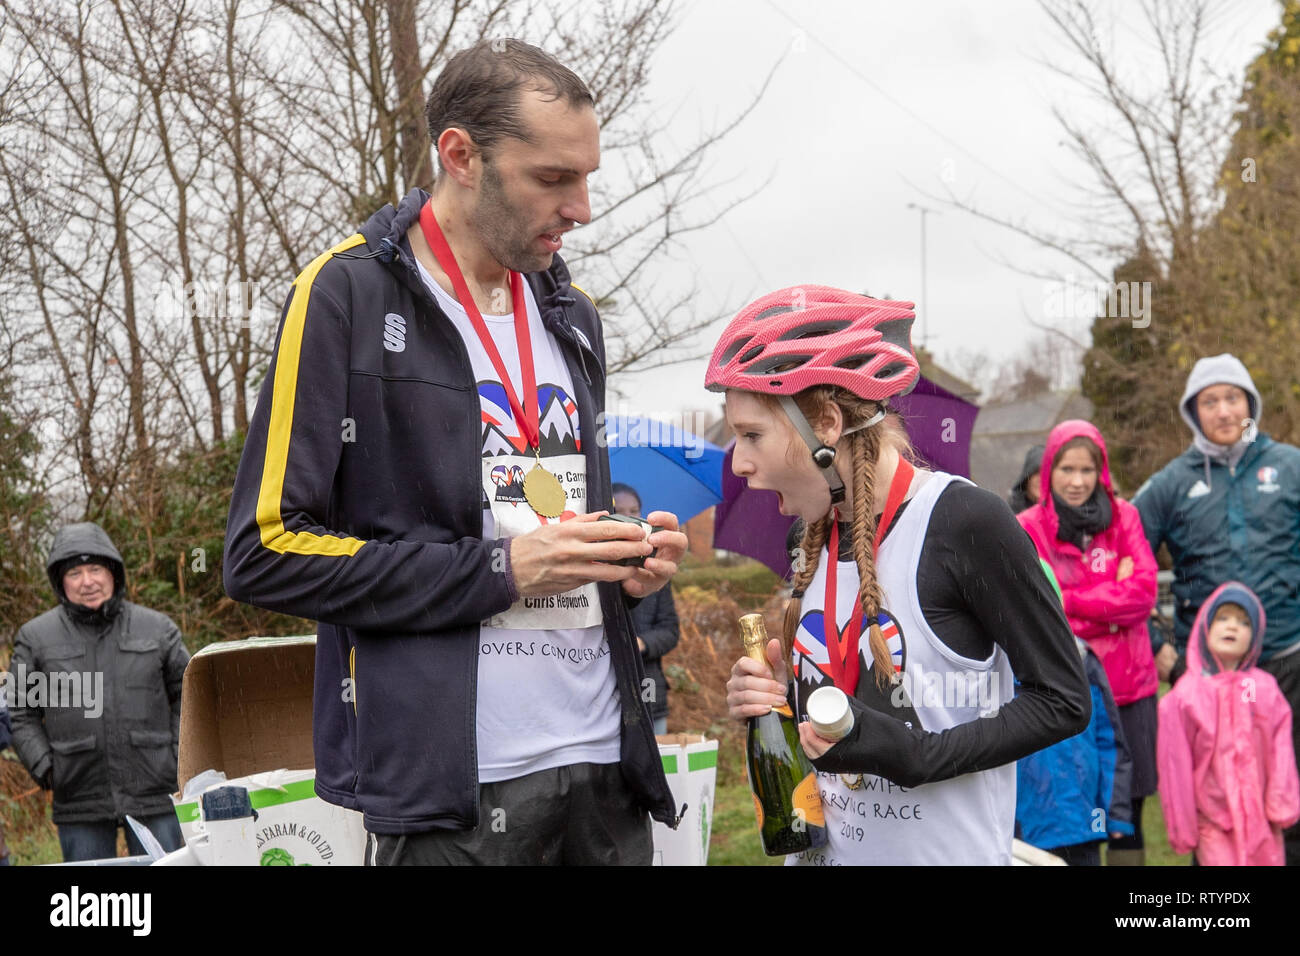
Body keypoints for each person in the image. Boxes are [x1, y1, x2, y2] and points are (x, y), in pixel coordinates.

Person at [223, 39, 687, 866]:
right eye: (553, 178)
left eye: (587, 177)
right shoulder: (344, 294)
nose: (582, 208)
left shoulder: (572, 311)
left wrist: (622, 563)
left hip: (603, 768)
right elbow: (265, 553)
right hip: (455, 790)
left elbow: (548, 522)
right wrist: (500, 571)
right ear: (460, 155)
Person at [715, 286, 1090, 866]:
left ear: (827, 424)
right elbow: (846, 710)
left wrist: (919, 755)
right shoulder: (810, 538)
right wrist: (777, 699)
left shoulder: (965, 522)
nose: (739, 464)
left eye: (751, 435)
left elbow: (1063, 700)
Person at [1133, 353, 1300, 863]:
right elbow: (1124, 562)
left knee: (1290, 797)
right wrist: (1161, 646)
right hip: (1207, 678)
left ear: (1250, 404)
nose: (1224, 411)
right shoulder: (1170, 485)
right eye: (1210, 401)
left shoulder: (1290, 467)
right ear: (1193, 412)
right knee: (1216, 802)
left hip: (1289, 660)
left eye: (1233, 398)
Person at [1017, 421, 1158, 865]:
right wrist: (1106, 603)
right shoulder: (1027, 526)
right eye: (1066, 469)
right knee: (1073, 803)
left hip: (1129, 685)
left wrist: (1070, 600)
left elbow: (1143, 593)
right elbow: (1037, 606)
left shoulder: (1125, 517)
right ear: (1048, 470)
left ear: (1102, 472)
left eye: (1087, 470)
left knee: (1126, 804)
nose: (1077, 482)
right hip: (1071, 688)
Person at [9, 522, 188, 862]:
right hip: (78, 795)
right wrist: (47, 768)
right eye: (74, 572)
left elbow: (190, 695)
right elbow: (21, 711)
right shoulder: (36, 637)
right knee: (92, 906)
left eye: (95, 569)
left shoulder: (158, 628)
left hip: (156, 789)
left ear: (114, 573)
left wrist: (178, 757)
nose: (87, 581)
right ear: (60, 581)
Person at [1157, 582, 1300, 865]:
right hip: (1212, 823)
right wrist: (1182, 827)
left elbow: (1280, 749)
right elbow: (1175, 767)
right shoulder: (1185, 697)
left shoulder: (1265, 689)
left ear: (1256, 636)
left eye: (1244, 622)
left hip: (1262, 821)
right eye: (1223, 618)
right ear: (1205, 627)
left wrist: (1281, 804)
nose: (1232, 627)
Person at [1015, 559, 1134, 866]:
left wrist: (1115, 812)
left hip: (1083, 824)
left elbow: (1111, 743)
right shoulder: (994, 672)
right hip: (1024, 832)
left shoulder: (1084, 663)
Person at [613, 483, 680, 736]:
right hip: (608, 698)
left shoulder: (654, 571)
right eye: (619, 511)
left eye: (635, 511)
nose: (629, 518)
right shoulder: (592, 570)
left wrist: (641, 643)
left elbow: (670, 630)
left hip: (651, 694)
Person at [1008, 443, 1044, 514]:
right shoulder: (1010, 513)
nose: (1041, 479)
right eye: (1036, 473)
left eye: (1046, 474)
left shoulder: (1062, 514)